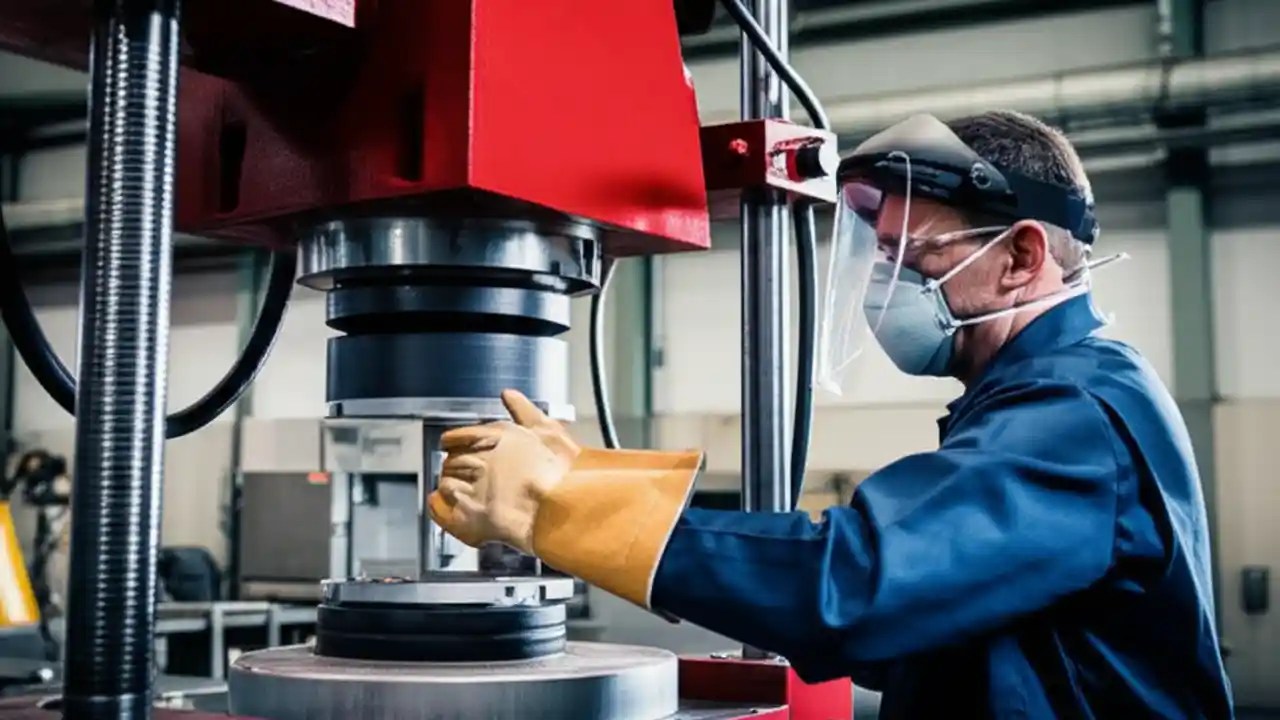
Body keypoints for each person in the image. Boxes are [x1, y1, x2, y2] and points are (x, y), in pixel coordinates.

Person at [428, 110, 1234, 718]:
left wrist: (559, 504)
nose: (886, 288)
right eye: (879, 260)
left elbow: (852, 586)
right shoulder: (1033, 399)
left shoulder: (1076, 416)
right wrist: (584, 476)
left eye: (909, 257)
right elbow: (926, 628)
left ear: (1021, 257)